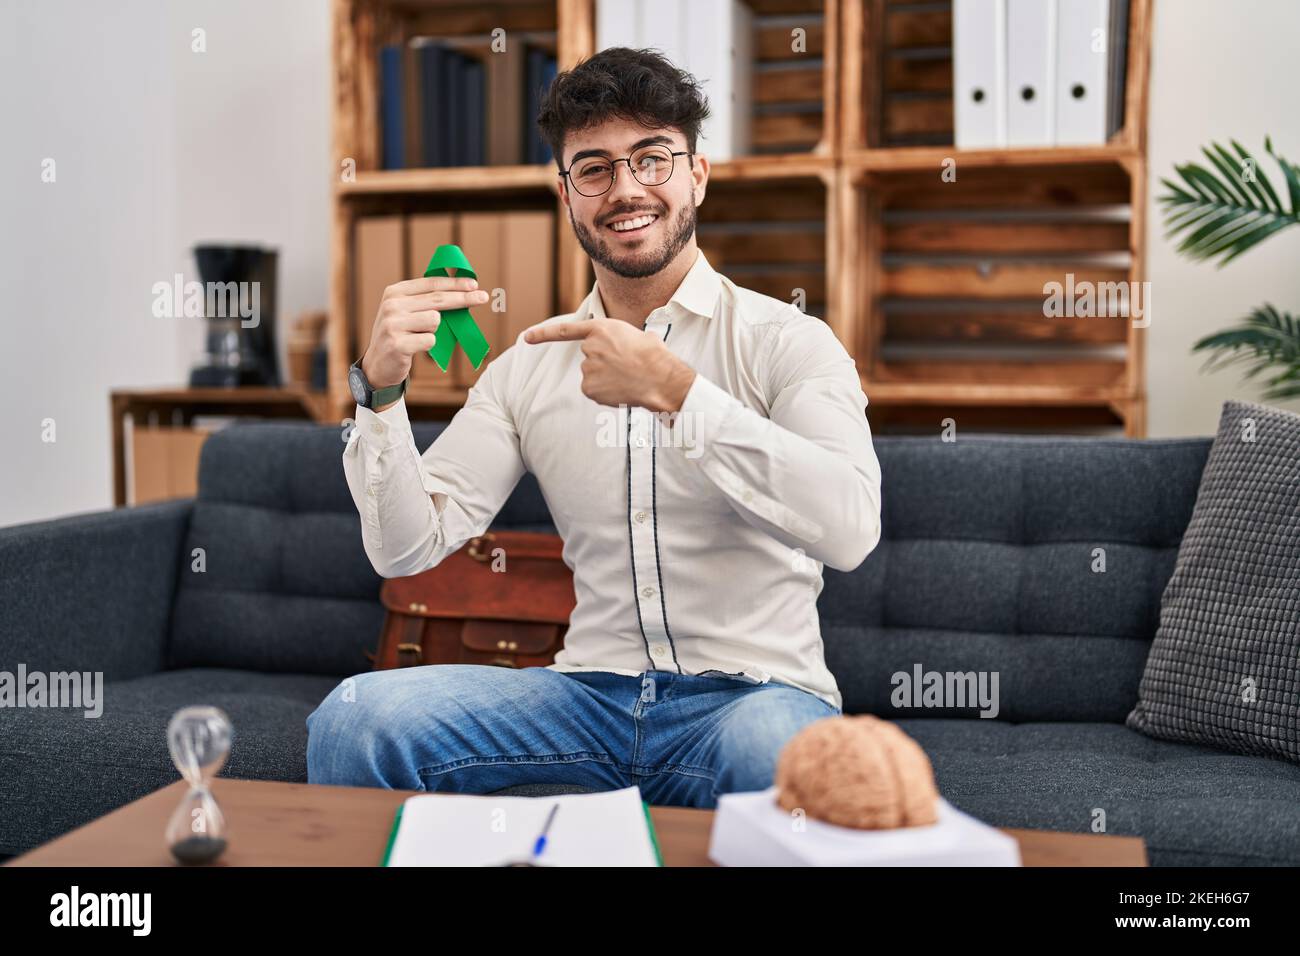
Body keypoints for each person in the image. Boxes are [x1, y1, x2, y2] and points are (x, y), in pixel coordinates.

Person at [306, 47, 883, 808]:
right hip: (587, 700)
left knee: (778, 750)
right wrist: (379, 394)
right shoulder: (528, 367)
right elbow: (405, 549)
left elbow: (849, 530)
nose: (626, 190)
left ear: (696, 176)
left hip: (756, 696)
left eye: (652, 159)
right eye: (596, 169)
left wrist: (680, 395)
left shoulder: (787, 342)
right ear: (567, 194)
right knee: (354, 720)